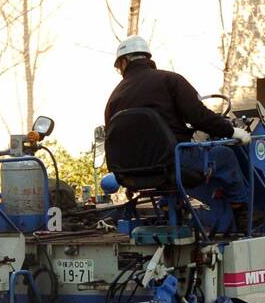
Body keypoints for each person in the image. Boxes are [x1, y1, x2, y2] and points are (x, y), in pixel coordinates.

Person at [104, 35, 251, 214]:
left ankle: (168, 206)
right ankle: (243, 212)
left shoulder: (114, 97)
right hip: (172, 161)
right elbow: (199, 117)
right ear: (147, 57)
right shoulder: (170, 80)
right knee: (225, 156)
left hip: (129, 172)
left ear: (124, 62)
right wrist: (232, 131)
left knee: (172, 169)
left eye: (119, 66)